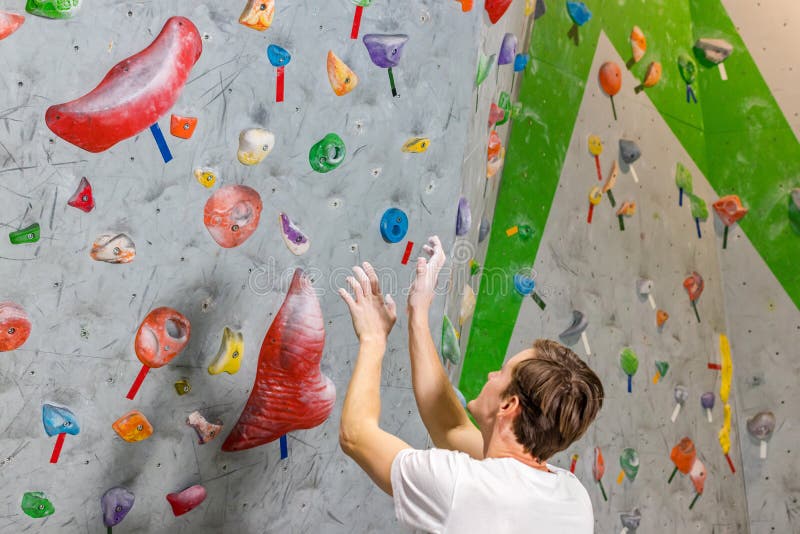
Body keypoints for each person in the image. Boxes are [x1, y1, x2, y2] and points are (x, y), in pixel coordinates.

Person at [338, 235, 604, 533]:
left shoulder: (461, 489)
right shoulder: (573, 499)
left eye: (502, 373)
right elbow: (451, 429)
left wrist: (374, 339)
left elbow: (355, 435)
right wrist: (419, 312)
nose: (492, 375)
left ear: (508, 406)